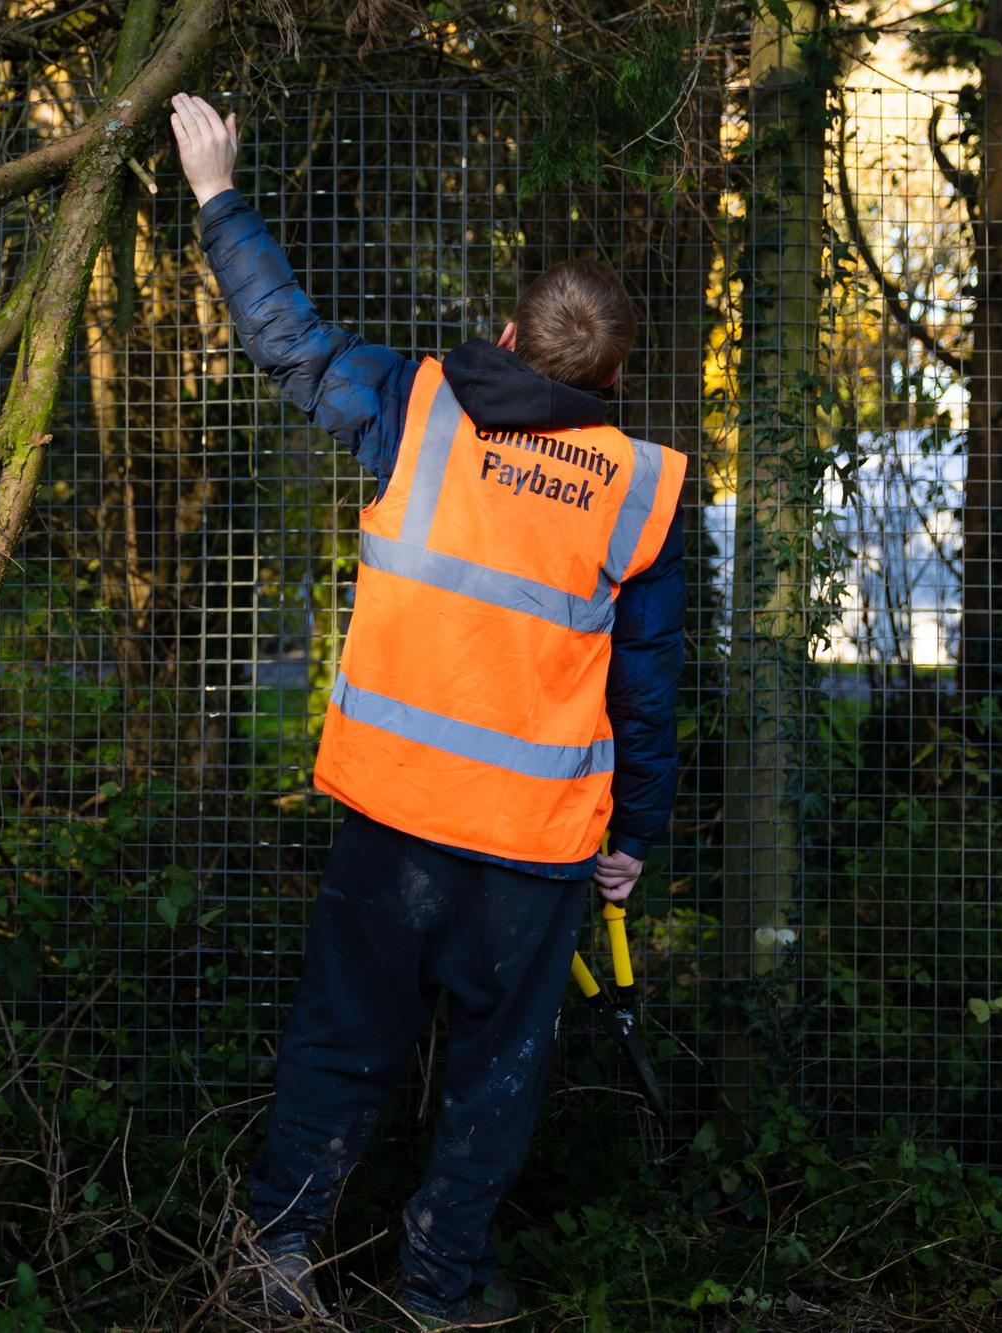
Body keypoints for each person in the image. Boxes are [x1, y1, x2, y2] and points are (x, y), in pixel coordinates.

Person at [167, 94, 688, 1329]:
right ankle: (439, 1290)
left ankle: (274, 1268)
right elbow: (648, 689)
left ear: (507, 334)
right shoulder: (639, 491)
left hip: (391, 823)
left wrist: (215, 192)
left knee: (342, 1043)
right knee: (494, 1079)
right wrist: (632, 838)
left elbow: (284, 340)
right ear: (613, 377)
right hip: (535, 851)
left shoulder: (418, 408)